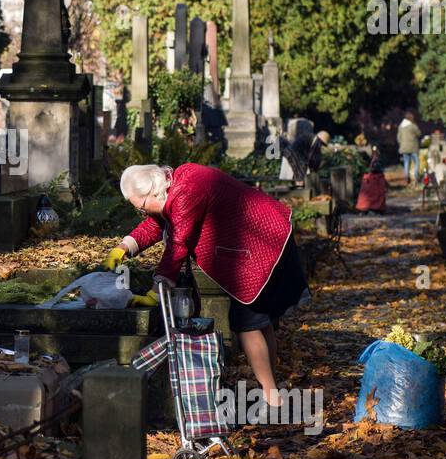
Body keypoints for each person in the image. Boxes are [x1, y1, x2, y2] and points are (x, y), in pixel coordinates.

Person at [105, 163, 309, 408]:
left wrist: (156, 289)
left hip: (259, 245)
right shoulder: (174, 183)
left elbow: (179, 243)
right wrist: (124, 247)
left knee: (247, 324)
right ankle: (271, 390)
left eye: (140, 206)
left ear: (152, 193)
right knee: (259, 321)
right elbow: (157, 224)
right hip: (263, 238)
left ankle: (272, 398)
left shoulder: (186, 192)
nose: (142, 212)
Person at [397, 111, 422, 185]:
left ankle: (406, 178)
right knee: (416, 162)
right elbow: (419, 133)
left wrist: (401, 143)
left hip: (404, 147)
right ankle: (416, 177)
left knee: (406, 162)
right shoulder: (412, 126)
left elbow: (398, 137)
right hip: (413, 147)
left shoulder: (401, 126)